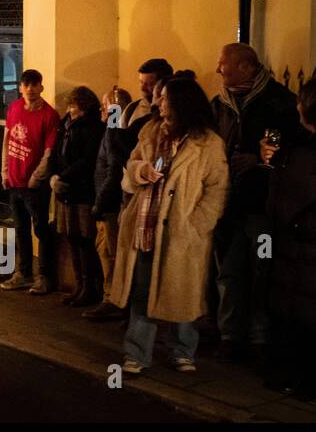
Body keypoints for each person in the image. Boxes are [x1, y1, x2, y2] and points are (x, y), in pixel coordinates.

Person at [113, 76, 229, 375]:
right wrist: (141, 171)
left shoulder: (208, 142)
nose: (158, 101)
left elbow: (216, 188)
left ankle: (183, 350)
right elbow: (130, 165)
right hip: (145, 224)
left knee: (182, 293)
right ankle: (137, 354)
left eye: (164, 97)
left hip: (182, 232)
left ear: (181, 101)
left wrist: (197, 225)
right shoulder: (151, 131)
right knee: (141, 292)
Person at [211, 42, 299, 363]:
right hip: (227, 205)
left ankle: (260, 337)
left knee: (263, 269)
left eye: (224, 64)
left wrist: (260, 161)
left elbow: (286, 150)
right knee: (228, 271)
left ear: (247, 67)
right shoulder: (219, 105)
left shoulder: (279, 103)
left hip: (261, 206)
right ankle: (230, 334)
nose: (218, 69)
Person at [262, 79, 316, 399]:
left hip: (296, 244)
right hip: (295, 247)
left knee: (299, 315)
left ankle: (296, 377)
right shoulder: (295, 147)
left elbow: (284, 198)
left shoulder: (298, 153)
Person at [85, 86, 146, 322]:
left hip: (109, 203)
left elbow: (114, 165)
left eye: (106, 105)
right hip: (106, 200)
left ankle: (113, 301)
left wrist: (100, 203)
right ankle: (110, 298)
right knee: (104, 249)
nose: (102, 109)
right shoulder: (111, 128)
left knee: (111, 253)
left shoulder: (114, 128)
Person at [0, 70, 60, 293]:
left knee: (41, 230)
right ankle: (23, 273)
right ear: (21, 87)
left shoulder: (49, 115)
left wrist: (36, 178)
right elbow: (6, 141)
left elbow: (49, 151)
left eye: (35, 85)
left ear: (41, 87)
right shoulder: (14, 108)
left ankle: (44, 276)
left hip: (35, 186)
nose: (31, 90)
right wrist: (5, 172)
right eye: (27, 85)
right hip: (14, 181)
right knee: (20, 229)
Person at [52, 86, 106, 307]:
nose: (70, 109)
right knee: (72, 237)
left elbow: (88, 159)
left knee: (85, 240)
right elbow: (57, 151)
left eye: (73, 105)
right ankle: (79, 284)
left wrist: (64, 176)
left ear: (84, 107)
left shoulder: (94, 127)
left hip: (82, 190)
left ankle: (91, 286)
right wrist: (56, 174)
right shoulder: (66, 126)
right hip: (65, 190)